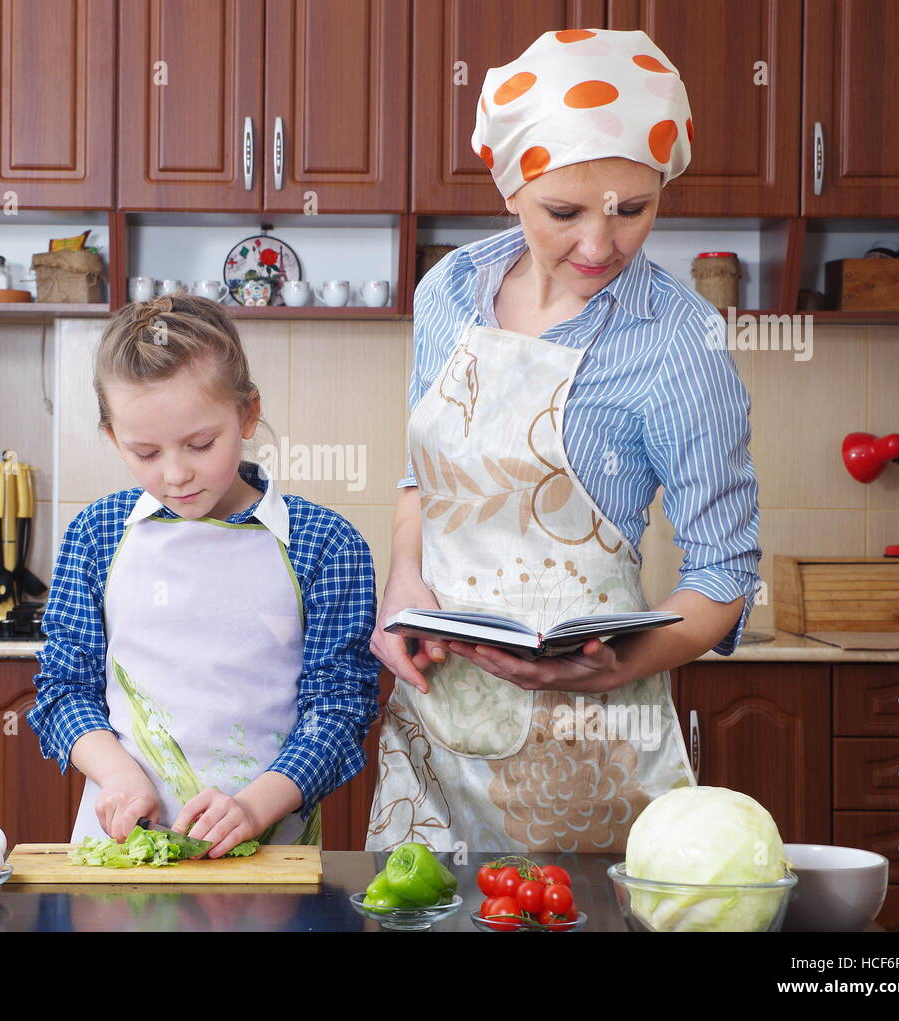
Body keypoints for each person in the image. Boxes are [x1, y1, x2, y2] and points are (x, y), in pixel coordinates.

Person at [367, 28, 763, 853]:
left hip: (592, 745)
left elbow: (724, 576)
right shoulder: (448, 291)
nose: (599, 244)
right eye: (564, 211)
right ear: (510, 185)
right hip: (436, 729)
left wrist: (615, 665)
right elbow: (421, 479)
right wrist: (402, 587)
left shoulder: (678, 340)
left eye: (633, 209)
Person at [28, 294, 380, 855]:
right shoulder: (98, 533)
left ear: (247, 414)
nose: (175, 474)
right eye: (145, 452)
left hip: (268, 848)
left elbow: (338, 709)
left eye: (200, 444)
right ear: (113, 438)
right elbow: (64, 690)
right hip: (123, 848)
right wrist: (118, 775)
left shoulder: (324, 545)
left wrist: (253, 807)